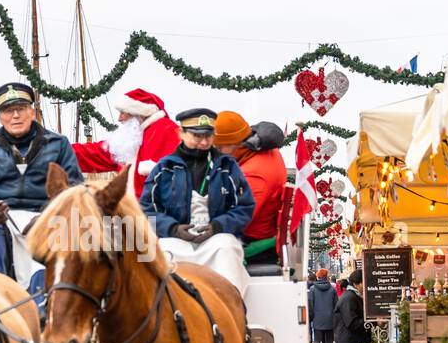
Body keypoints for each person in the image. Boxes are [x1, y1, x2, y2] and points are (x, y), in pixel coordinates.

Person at [0, 82, 83, 278]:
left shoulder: (58, 144)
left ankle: (45, 299)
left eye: (21, 109)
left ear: (32, 113)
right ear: (1, 118)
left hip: (46, 218)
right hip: (0, 219)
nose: (15, 116)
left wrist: (48, 215)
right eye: (8, 111)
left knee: (59, 242)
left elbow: (74, 187)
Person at [140, 108, 255, 296]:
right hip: (175, 241)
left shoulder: (227, 167)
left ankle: (233, 311)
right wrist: (173, 229)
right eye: (196, 136)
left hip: (216, 240)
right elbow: (146, 210)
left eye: (209, 136)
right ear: (181, 133)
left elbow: (244, 206)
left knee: (226, 248)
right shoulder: (164, 168)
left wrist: (218, 226)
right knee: (162, 252)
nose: (204, 142)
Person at [72, 88, 179, 199]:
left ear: (139, 112)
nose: (119, 118)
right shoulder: (132, 137)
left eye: (123, 113)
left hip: (153, 211)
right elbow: (95, 154)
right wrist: (62, 147)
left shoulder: (166, 130)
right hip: (128, 208)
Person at [213, 114, 287, 265]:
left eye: (219, 147)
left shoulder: (252, 174)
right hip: (258, 233)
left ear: (236, 143)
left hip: (250, 244)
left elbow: (234, 219)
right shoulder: (268, 151)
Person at [309, 267, 337, 343]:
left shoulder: (312, 289)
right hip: (329, 318)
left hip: (317, 318)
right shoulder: (332, 289)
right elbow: (336, 305)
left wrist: (311, 318)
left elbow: (311, 305)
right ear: (326, 277)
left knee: (317, 340)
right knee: (329, 341)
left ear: (318, 276)